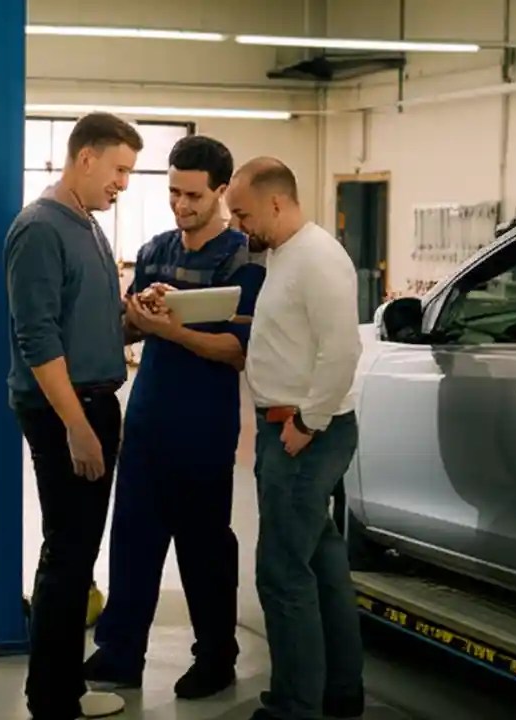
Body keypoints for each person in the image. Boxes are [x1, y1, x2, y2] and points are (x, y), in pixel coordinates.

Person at [82, 135, 264, 699]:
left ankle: (215, 657)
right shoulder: (156, 249)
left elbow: (237, 351)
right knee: (133, 536)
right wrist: (139, 315)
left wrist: (172, 331)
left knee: (204, 546)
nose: (181, 205)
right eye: (173, 193)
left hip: (204, 424)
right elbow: (130, 330)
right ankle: (120, 651)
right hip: (148, 416)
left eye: (192, 195)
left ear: (221, 192)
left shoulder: (243, 260)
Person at [5, 112, 143, 720]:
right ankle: (54, 698)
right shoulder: (40, 228)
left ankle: (63, 690)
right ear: (85, 159)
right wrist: (77, 426)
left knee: (78, 552)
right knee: (68, 555)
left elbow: (86, 317)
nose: (124, 184)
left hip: (93, 403)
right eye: (119, 170)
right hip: (67, 411)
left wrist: (135, 317)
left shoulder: (87, 224)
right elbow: (37, 339)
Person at [225, 157, 366, 720]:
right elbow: (292, 333)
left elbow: (343, 351)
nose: (238, 224)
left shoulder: (318, 258)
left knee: (282, 572)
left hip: (303, 431)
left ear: (277, 203)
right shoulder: (284, 255)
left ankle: (294, 706)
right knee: (320, 561)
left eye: (243, 212)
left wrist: (306, 424)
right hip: (292, 425)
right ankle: (338, 691)